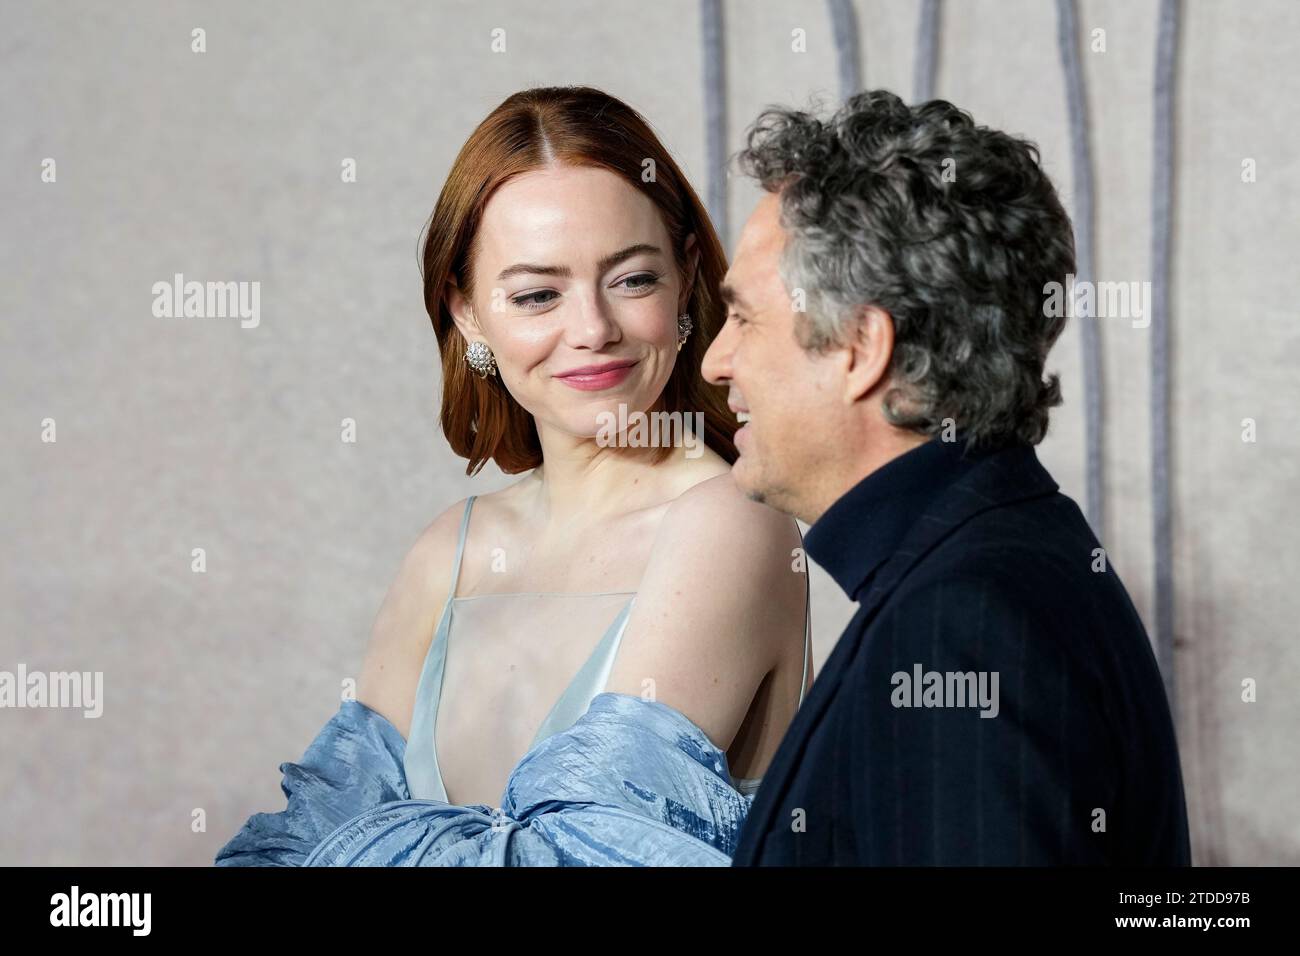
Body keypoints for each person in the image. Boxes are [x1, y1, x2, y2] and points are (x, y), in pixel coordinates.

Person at [215, 86, 812, 867]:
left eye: (632, 279)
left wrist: (373, 845)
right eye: (537, 295)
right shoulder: (451, 550)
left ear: (684, 276)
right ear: (468, 315)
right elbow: (280, 853)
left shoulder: (731, 524)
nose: (593, 330)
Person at [704, 90, 1192, 865]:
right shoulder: (991, 567)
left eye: (744, 319)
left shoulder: (962, 624)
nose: (715, 361)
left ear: (861, 347)